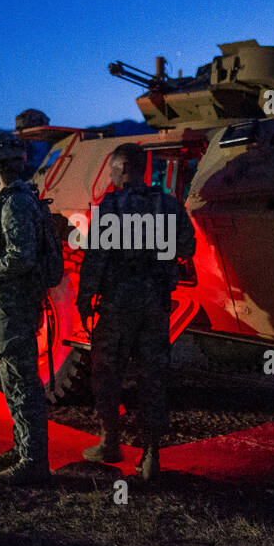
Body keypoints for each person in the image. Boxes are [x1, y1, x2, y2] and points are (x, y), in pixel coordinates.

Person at [77, 142, 195, 480]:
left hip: (117, 304)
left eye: (112, 169)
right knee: (153, 375)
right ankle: (151, 456)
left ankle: (109, 440)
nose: (110, 176)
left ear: (122, 168)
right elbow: (188, 246)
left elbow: (96, 258)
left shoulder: (110, 207)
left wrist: (86, 301)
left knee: (106, 372)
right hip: (155, 303)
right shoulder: (168, 205)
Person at [0, 131, 52, 486]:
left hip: (14, 304)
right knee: (12, 378)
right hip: (8, 303)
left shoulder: (15, 203)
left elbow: (21, 256)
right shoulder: (12, 199)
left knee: (20, 381)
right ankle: (23, 448)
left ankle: (33, 461)